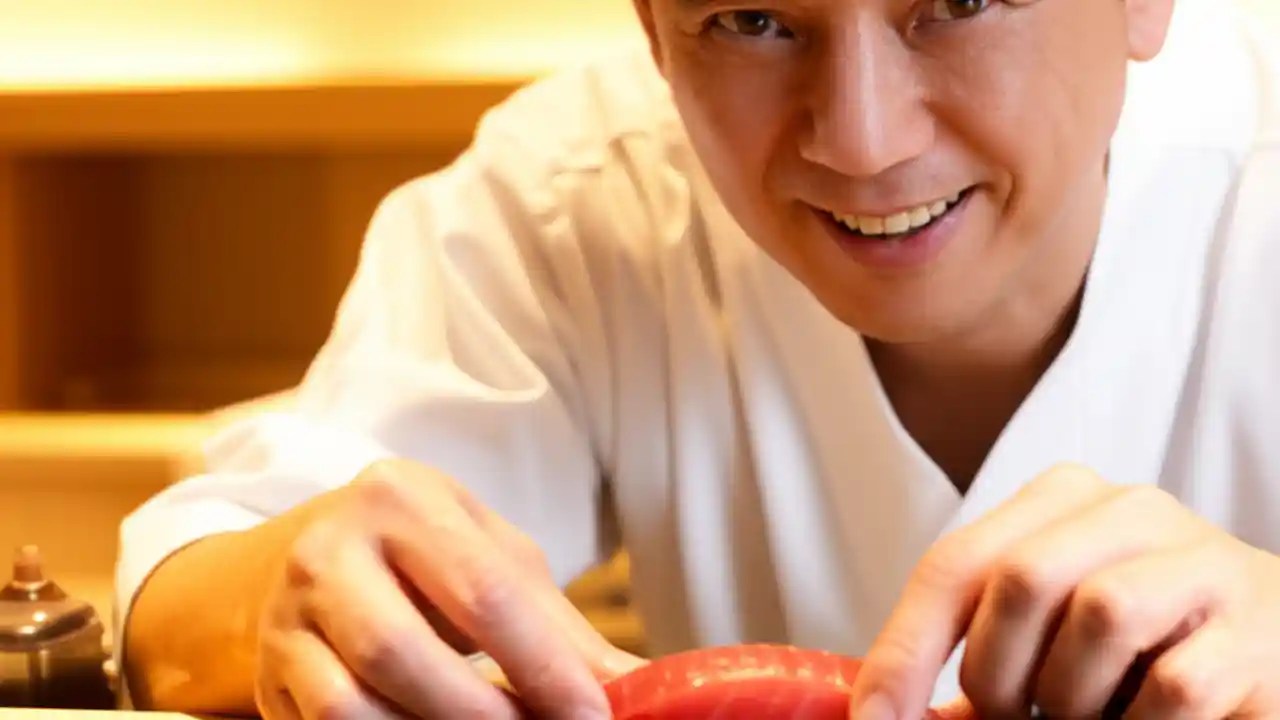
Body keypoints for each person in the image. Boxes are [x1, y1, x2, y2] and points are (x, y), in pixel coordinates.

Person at [116, 0, 1280, 717]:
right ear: (648, 24)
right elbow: (190, 589)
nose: (863, 141)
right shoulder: (579, 194)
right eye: (750, 22)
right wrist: (284, 598)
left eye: (958, 0)